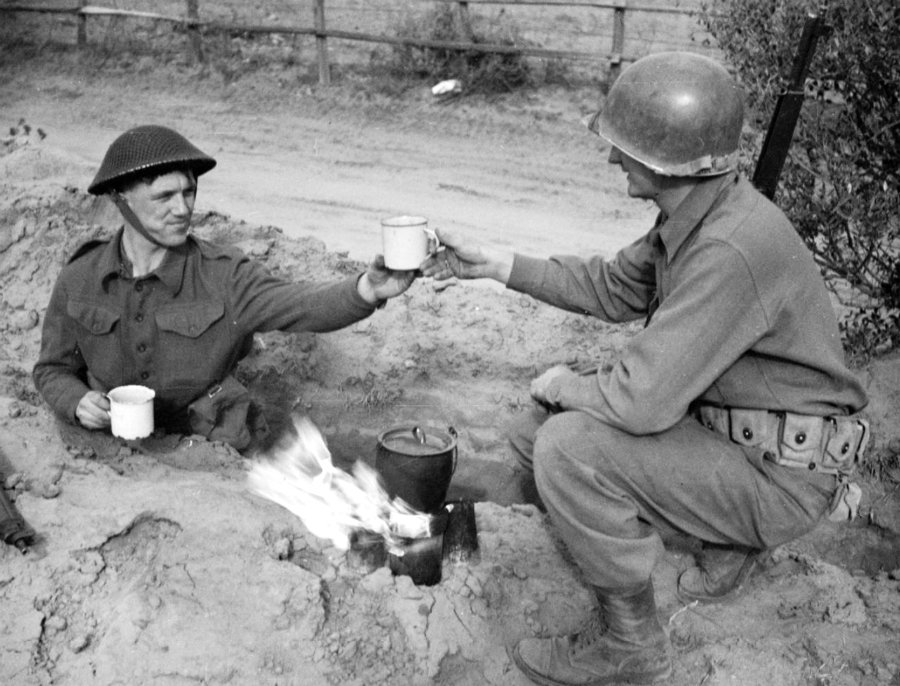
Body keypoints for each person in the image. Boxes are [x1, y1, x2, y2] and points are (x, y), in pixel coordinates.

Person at [421, 51, 869, 685]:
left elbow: (640, 402)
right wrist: (497, 265)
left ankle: (632, 646)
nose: (612, 158)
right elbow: (613, 287)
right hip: (739, 438)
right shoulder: (702, 213)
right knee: (534, 434)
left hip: (782, 479)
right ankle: (720, 538)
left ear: (671, 162)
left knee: (568, 449)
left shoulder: (728, 247)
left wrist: (566, 385)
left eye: (625, 147)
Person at [33, 125, 416, 450]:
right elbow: (53, 369)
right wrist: (76, 401)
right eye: (165, 196)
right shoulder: (80, 277)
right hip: (114, 448)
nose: (183, 209)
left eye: (188, 193)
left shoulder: (224, 274)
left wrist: (369, 288)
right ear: (121, 199)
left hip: (208, 444)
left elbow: (301, 304)